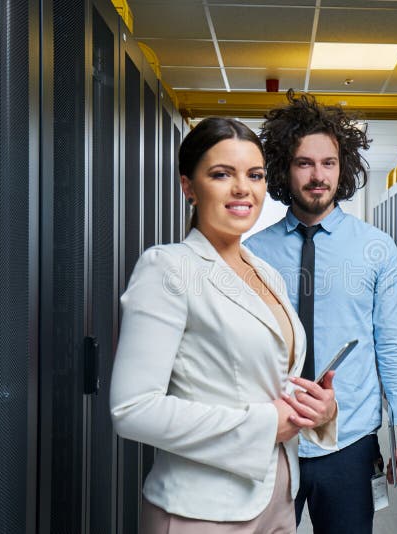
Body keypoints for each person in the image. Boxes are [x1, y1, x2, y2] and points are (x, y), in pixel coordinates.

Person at [110, 117, 338, 534]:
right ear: (189, 187)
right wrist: (265, 425)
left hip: (278, 498)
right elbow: (132, 409)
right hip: (203, 510)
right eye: (221, 174)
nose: (242, 189)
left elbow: (266, 382)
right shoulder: (168, 268)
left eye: (254, 175)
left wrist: (319, 410)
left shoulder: (266, 273)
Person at [245, 91, 397, 533]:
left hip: (349, 442)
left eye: (328, 163)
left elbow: (395, 345)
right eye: (304, 163)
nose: (318, 176)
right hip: (271, 441)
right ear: (284, 168)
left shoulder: (376, 249)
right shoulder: (252, 254)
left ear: (342, 168)